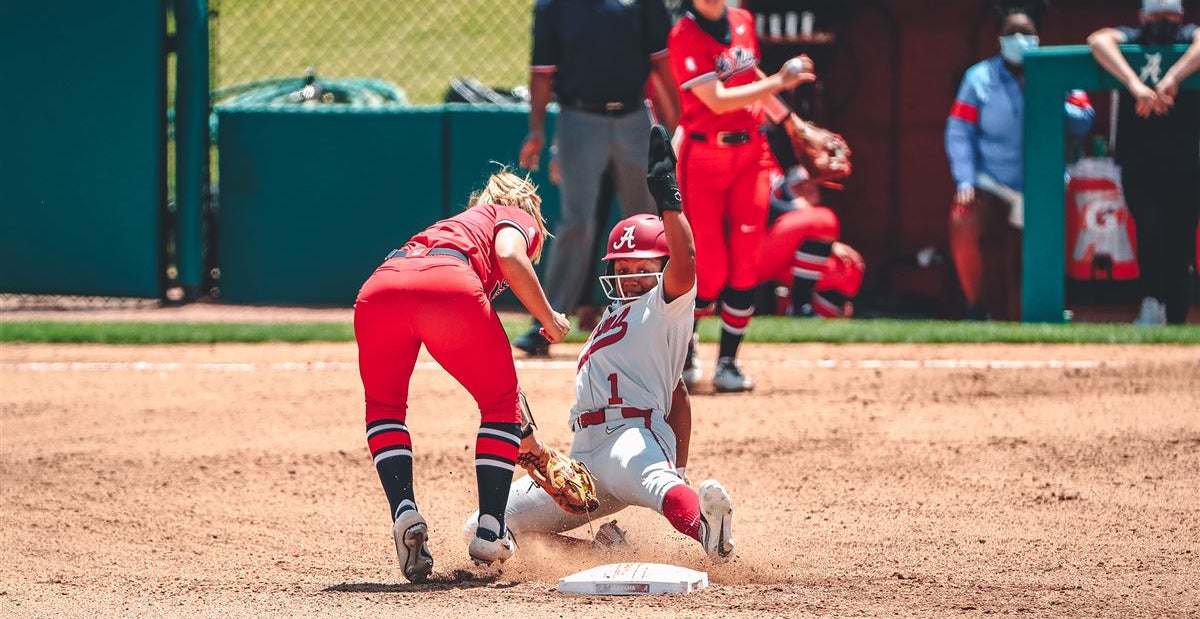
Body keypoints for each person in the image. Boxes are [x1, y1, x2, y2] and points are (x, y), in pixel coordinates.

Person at [466, 126, 736, 564]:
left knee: (661, 486)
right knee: (485, 522)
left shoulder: (662, 306)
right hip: (584, 454)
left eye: (641, 266)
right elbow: (678, 393)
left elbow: (686, 260)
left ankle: (710, 532)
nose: (630, 274)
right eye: (622, 265)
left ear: (661, 268)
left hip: (634, 436)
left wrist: (669, 197)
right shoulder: (610, 317)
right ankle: (599, 552)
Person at [353, 170, 572, 582]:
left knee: (384, 408)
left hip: (379, 287)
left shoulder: (453, 225)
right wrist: (550, 319)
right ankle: (491, 529)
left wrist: (528, 443)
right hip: (447, 285)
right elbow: (510, 255)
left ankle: (404, 511)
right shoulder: (512, 214)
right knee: (497, 405)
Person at [514, 0, 681, 357]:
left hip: (635, 116)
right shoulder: (553, 6)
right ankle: (547, 323)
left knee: (647, 225)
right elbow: (542, 72)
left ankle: (656, 320)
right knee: (577, 223)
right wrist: (537, 132)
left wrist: (675, 128)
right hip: (578, 118)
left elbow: (661, 64)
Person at [668, 0, 814, 392]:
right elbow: (715, 98)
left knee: (747, 259)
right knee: (710, 268)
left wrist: (791, 121)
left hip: (752, 153)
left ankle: (729, 363)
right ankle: (686, 349)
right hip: (703, 154)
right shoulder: (684, 34)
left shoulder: (742, 20)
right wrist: (780, 82)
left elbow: (750, 76)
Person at [945, 3, 1095, 321]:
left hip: (1043, 181)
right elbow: (959, 131)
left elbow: (1084, 121)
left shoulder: (1057, 71)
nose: (1019, 39)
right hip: (993, 179)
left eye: (1025, 33)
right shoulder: (979, 77)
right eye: (1011, 33)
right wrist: (965, 179)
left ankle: (1046, 309)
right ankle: (976, 307)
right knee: (963, 219)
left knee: (1032, 256)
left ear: (1038, 37)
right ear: (999, 38)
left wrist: (1043, 93)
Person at [1088, 0, 1200, 325]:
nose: (1162, 22)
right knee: (1150, 232)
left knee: (1180, 240)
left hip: (1186, 161)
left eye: (1169, 16)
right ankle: (1152, 304)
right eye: (1156, 16)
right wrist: (1135, 85)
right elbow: (1098, 40)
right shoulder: (1132, 38)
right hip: (1140, 160)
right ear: (1142, 17)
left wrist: (1172, 78)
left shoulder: (1189, 36)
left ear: (1180, 16)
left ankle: (1175, 319)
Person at [756, 165, 865, 319]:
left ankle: (812, 314)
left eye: (812, 185)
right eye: (800, 186)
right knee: (824, 218)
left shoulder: (771, 163)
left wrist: (830, 244)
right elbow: (761, 205)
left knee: (849, 266)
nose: (808, 189)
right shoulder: (757, 163)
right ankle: (800, 306)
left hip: (783, 259)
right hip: (752, 249)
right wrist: (795, 208)